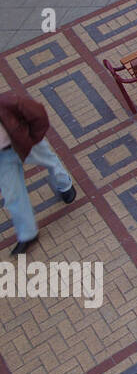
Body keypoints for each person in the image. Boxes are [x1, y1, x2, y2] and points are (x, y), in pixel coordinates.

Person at [1, 90, 77, 257]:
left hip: (24, 143)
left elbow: (38, 113)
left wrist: (33, 138)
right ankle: (28, 234)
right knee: (12, 195)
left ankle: (65, 185)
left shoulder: (7, 102)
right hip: (2, 157)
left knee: (50, 163)